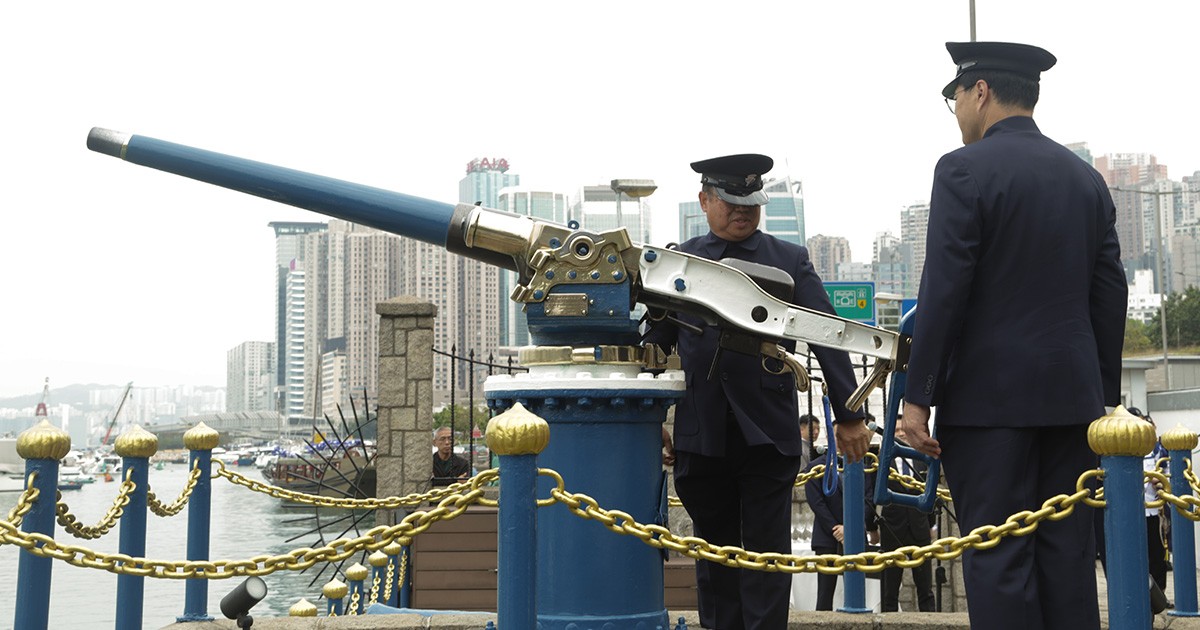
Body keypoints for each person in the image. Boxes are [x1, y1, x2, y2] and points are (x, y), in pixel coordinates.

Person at [901, 42, 1127, 630]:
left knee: (1000, 559)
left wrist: (918, 394)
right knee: (1067, 558)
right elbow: (1109, 293)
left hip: (987, 405)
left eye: (953, 98)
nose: (954, 112)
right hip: (1074, 404)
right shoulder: (1087, 180)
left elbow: (944, 290)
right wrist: (1102, 395)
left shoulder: (961, 169)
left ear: (979, 92)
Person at [644, 153, 869, 629]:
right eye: (729, 201)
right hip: (701, 432)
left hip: (766, 433)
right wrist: (650, 424)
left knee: (768, 560)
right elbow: (655, 346)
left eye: (750, 201)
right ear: (705, 200)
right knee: (715, 560)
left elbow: (829, 335)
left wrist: (851, 416)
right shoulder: (679, 261)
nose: (741, 210)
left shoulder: (789, 261)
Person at [803, 455, 878, 611]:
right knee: (825, 591)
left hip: (856, 535)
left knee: (858, 590)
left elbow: (868, 499)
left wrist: (850, 528)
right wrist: (835, 528)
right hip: (827, 536)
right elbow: (817, 503)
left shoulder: (862, 465)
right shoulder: (815, 467)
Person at [877, 422, 936, 613]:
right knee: (889, 590)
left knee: (926, 589)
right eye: (896, 431)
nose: (901, 433)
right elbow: (871, 494)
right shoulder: (882, 459)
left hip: (919, 530)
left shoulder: (921, 459)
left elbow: (930, 492)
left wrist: (931, 525)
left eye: (904, 430)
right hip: (892, 530)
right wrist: (871, 527)